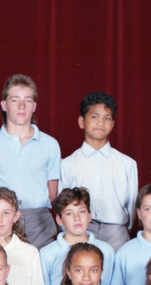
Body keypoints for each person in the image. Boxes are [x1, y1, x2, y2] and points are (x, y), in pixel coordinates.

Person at [0, 74, 61, 249]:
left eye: (27, 100)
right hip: (4, 221)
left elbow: (52, 190)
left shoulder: (50, 144)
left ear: (34, 105)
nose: (22, 106)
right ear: (4, 105)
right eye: (15, 100)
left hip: (40, 224)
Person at [60, 91, 139, 250]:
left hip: (116, 232)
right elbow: (63, 204)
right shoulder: (67, 164)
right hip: (80, 230)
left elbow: (132, 207)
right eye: (94, 117)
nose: (101, 122)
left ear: (112, 124)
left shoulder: (127, 164)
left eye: (107, 118)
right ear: (82, 121)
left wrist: (121, 228)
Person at [39, 187, 115, 285]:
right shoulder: (47, 253)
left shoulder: (106, 251)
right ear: (59, 220)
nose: (77, 218)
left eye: (82, 211)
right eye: (69, 213)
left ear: (89, 216)